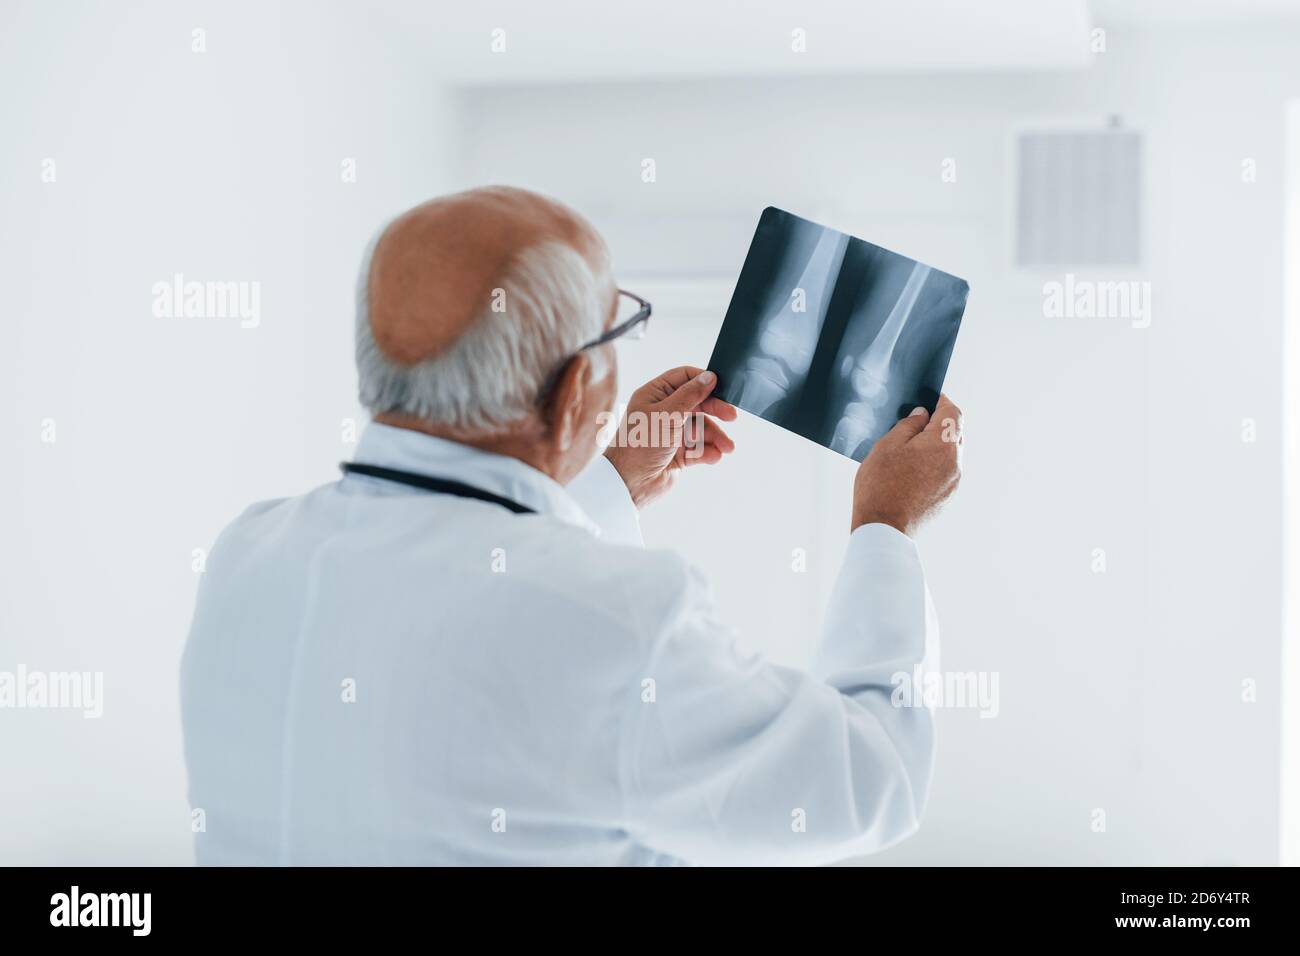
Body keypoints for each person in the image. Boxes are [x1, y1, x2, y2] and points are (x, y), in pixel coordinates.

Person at [181, 185, 963, 865]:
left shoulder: (248, 555)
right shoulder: (628, 617)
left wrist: (611, 485)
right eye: (617, 328)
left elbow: (468, 604)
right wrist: (886, 526)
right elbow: (871, 780)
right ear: (571, 394)